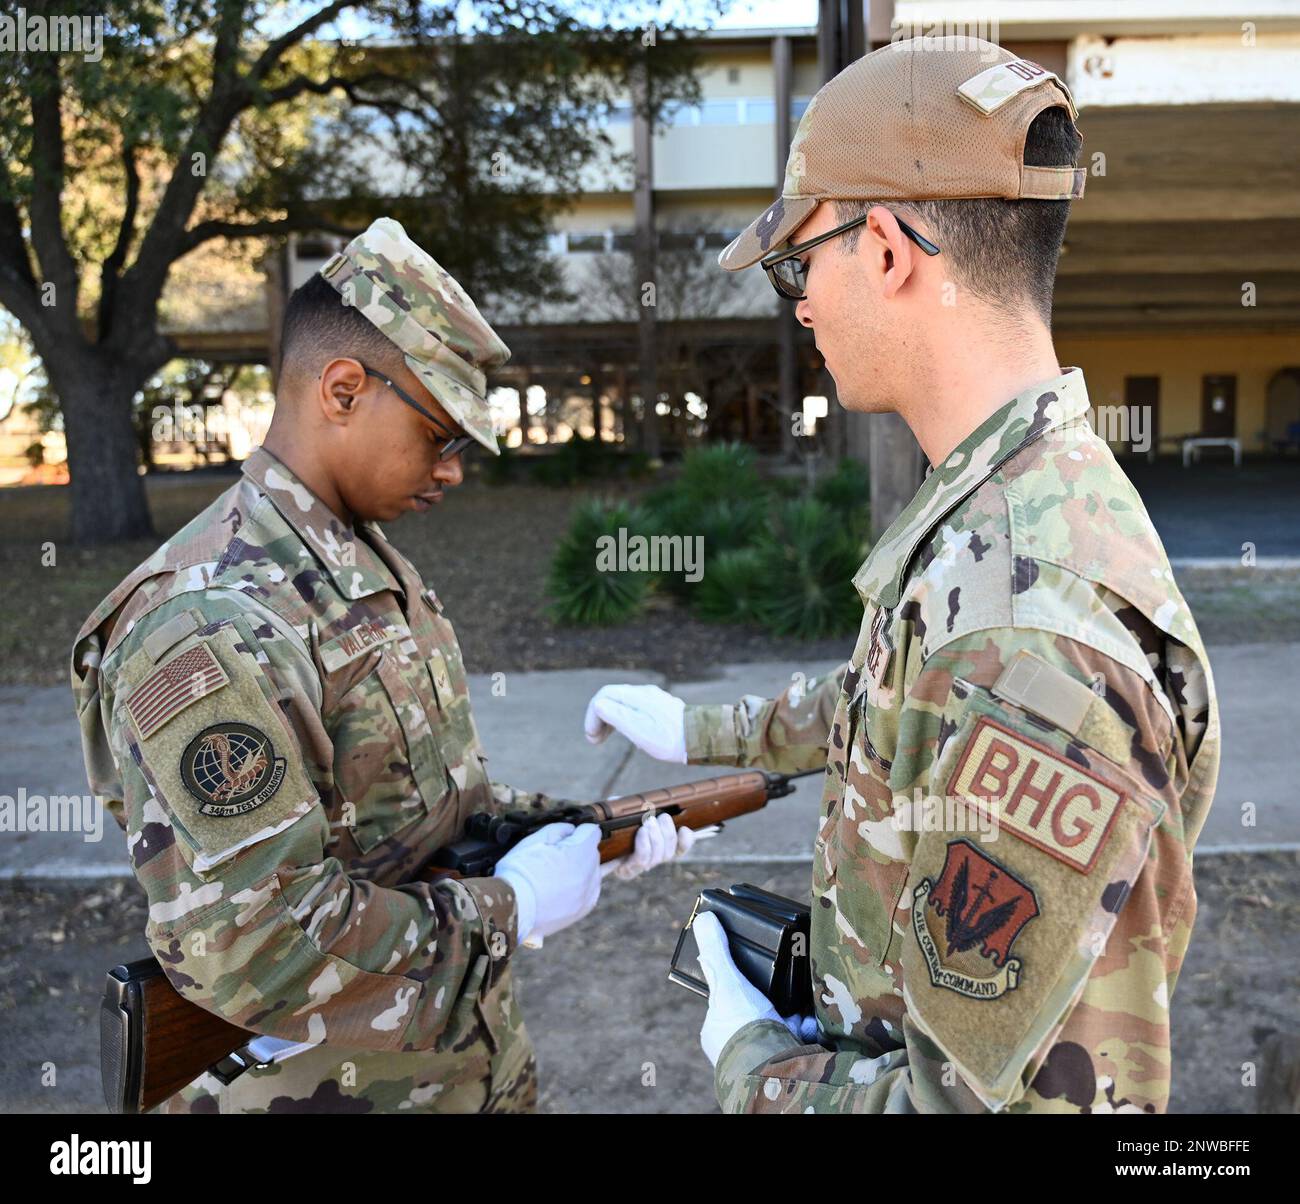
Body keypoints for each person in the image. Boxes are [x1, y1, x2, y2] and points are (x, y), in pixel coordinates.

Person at [585, 37, 1220, 1114]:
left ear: (883, 248)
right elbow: (898, 711)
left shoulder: (1029, 619)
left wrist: (754, 1066)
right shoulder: (1004, 510)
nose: (800, 303)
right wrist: (707, 735)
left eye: (802, 263)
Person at [71, 217, 692, 1114]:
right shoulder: (208, 624)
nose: (453, 472)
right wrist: (511, 908)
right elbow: (260, 947)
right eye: (441, 436)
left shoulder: (364, 566)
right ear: (344, 388)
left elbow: (427, 812)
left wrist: (590, 834)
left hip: (451, 1073)